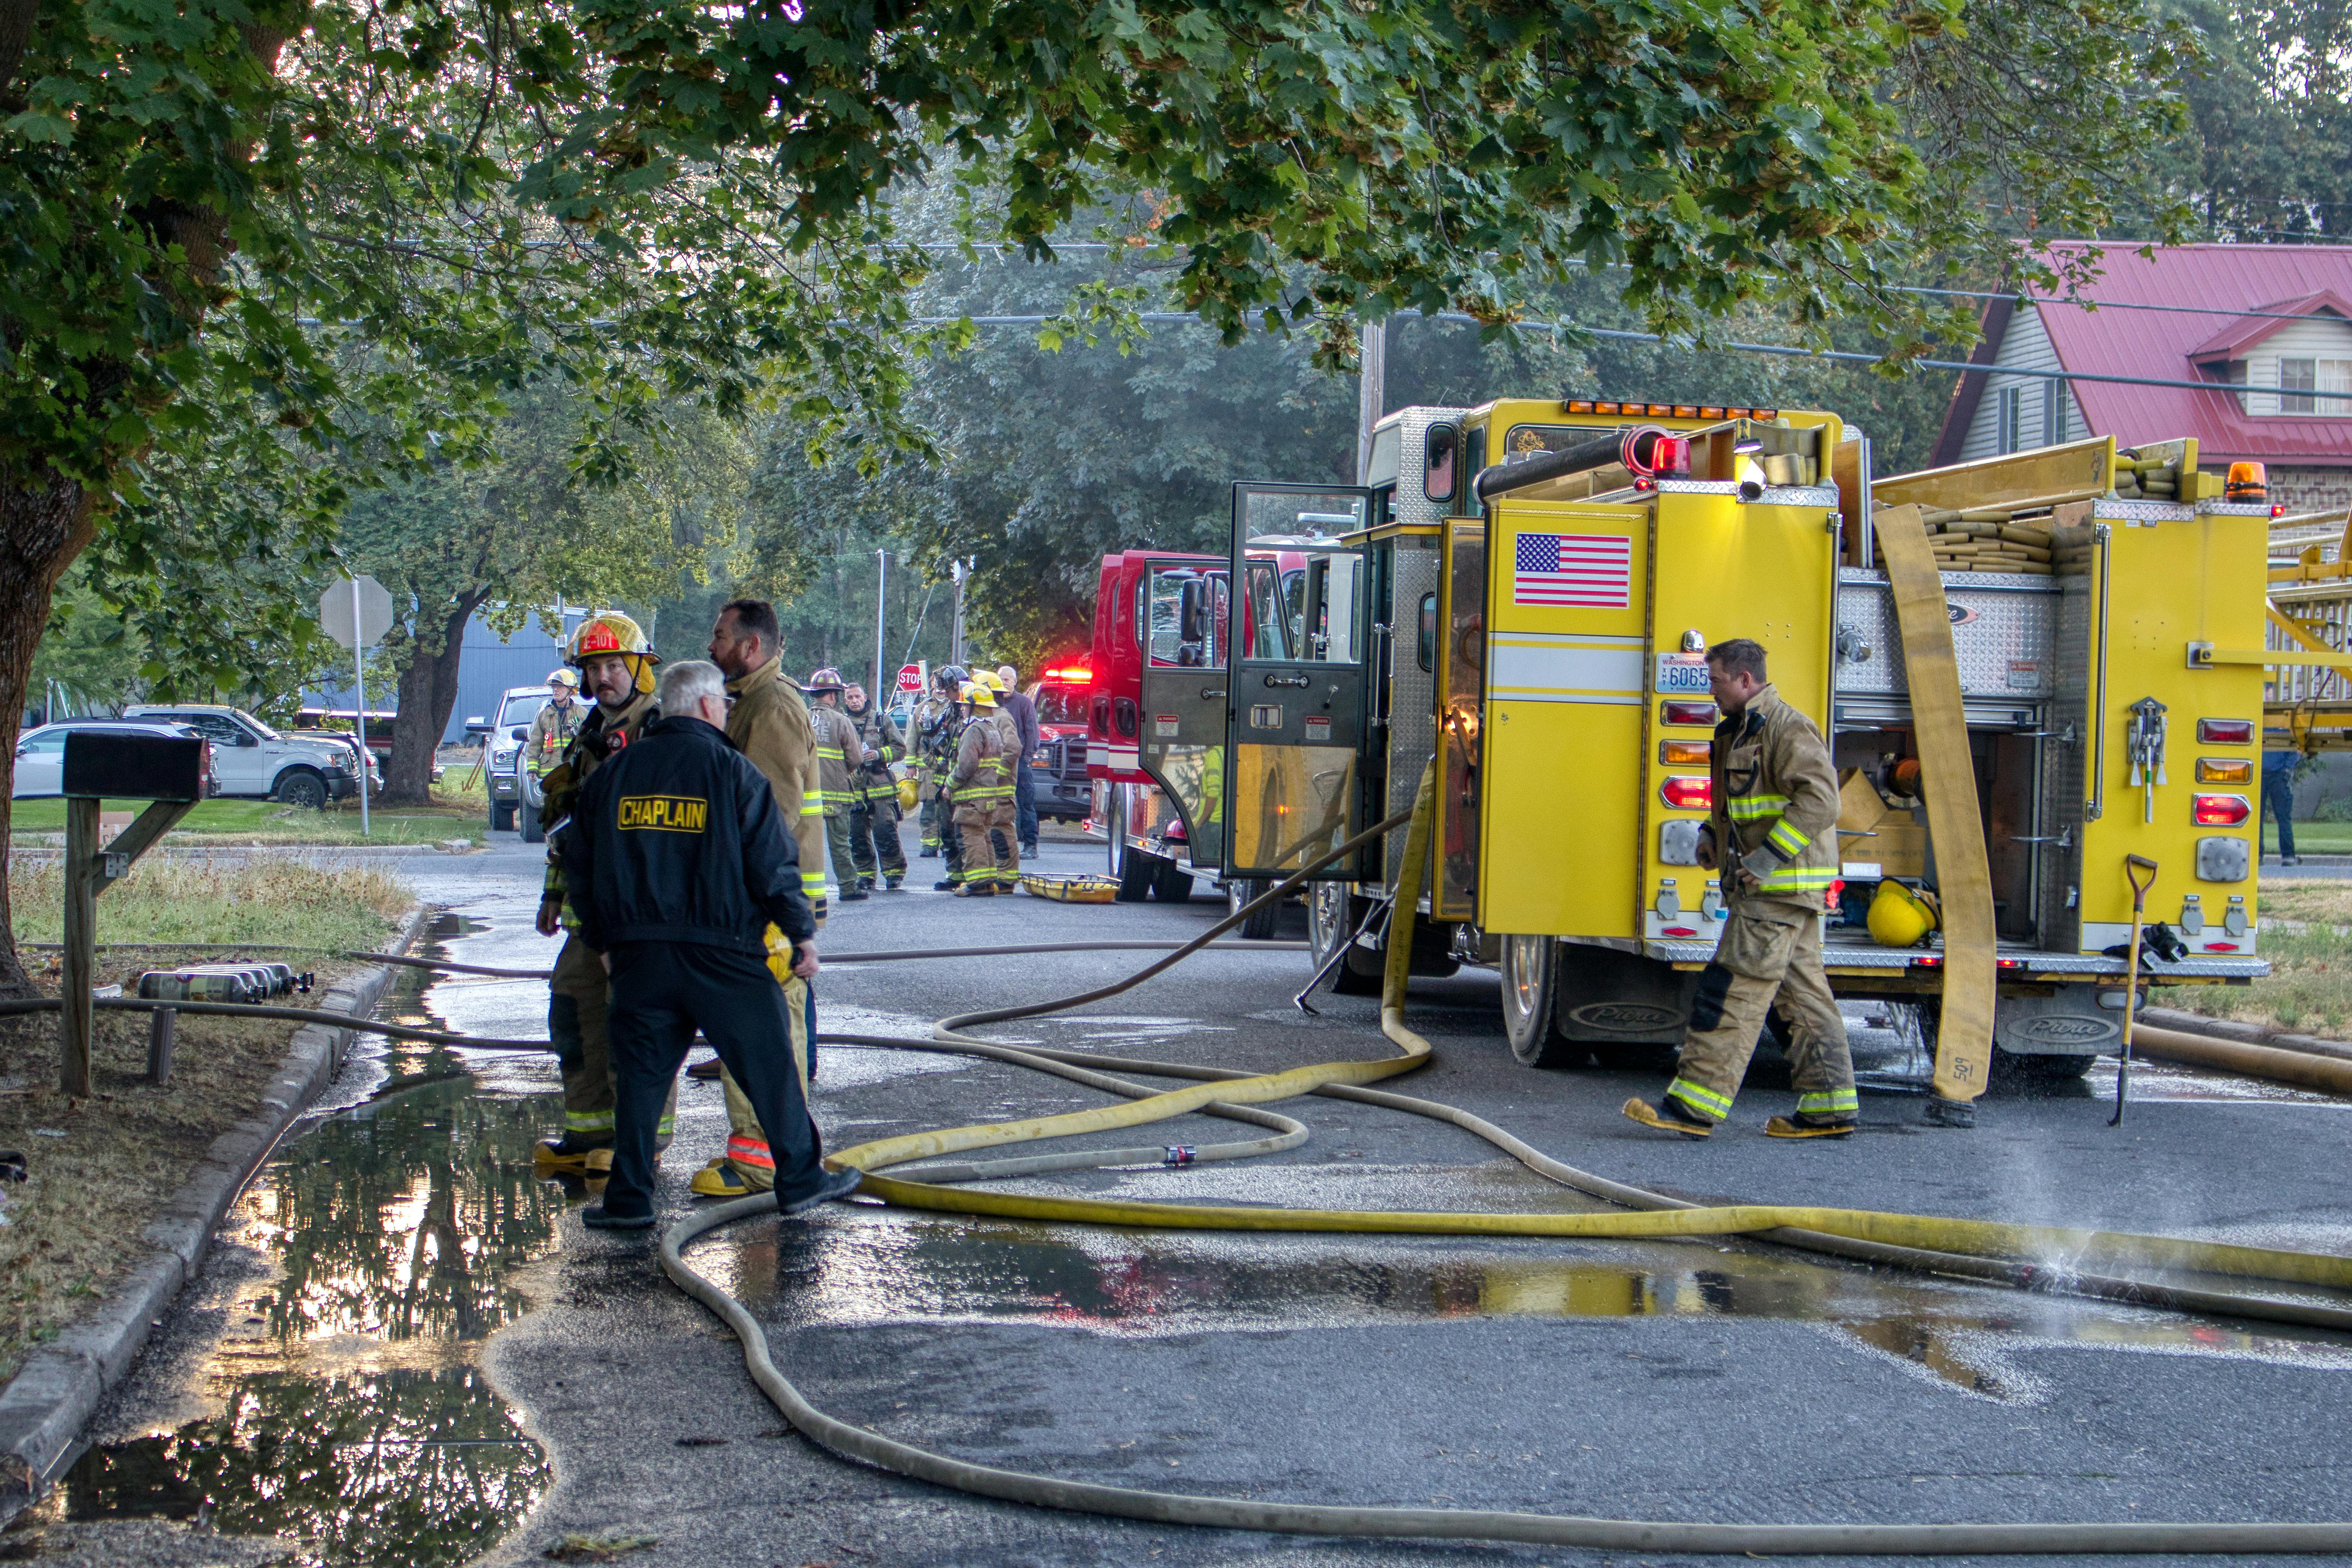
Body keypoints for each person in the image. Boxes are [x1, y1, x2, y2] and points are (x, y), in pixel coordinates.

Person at [561, 659, 864, 1229]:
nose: (725, 713)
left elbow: (580, 864)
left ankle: (628, 1201)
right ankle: (801, 1180)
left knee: (642, 1083)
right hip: (723, 955)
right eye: (722, 706)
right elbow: (772, 866)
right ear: (705, 707)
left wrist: (603, 940)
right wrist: (801, 934)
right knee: (770, 1067)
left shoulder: (614, 775)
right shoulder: (734, 773)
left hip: (638, 957)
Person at [1623, 638, 1857, 1141]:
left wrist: (1768, 857)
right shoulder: (1737, 731)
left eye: (1717, 681)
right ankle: (1830, 1106)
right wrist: (1712, 836)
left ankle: (1693, 1106)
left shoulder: (1786, 727)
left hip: (1777, 892)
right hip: (1776, 893)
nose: (1711, 691)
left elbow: (1822, 800)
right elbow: (1736, 805)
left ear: (1746, 680)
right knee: (1804, 998)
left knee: (1733, 990)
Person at [695, 598, 830, 1200]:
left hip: (770, 903)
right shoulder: (750, 703)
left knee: (768, 1031)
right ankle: (769, 1155)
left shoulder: (770, 708)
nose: (711, 646)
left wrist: (759, 903)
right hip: (768, 900)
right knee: (766, 1025)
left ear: (752, 647)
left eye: (720, 636)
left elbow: (768, 818)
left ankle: (759, 1162)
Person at [533, 615, 672, 1174]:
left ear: (639, 669)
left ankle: (640, 1143)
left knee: (634, 1021)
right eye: (594, 668)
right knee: (575, 1011)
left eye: (615, 665)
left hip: (638, 913)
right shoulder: (591, 735)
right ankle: (587, 1131)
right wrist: (553, 892)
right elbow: (571, 826)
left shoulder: (659, 732)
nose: (604, 677)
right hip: (589, 912)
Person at [804, 668, 869, 902]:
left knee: (803, 841)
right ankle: (848, 887)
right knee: (840, 843)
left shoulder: (801, 717)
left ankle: (797, 888)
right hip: (836, 795)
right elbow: (856, 759)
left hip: (806, 793)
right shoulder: (841, 721)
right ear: (833, 695)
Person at [949, 680, 1018, 895]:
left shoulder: (974, 731)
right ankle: (987, 881)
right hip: (988, 797)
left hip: (973, 795)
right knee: (985, 835)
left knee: (971, 836)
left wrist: (950, 785)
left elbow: (967, 765)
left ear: (973, 706)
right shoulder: (992, 729)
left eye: (964, 705)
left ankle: (978, 884)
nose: (961, 709)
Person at [842, 683, 908, 890]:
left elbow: (900, 748)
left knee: (885, 831)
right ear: (845, 701)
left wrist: (879, 754)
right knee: (858, 835)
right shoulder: (842, 723)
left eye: (857, 697)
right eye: (850, 698)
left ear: (865, 697)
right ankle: (865, 875)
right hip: (854, 789)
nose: (854, 701)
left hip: (881, 787)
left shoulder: (882, 720)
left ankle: (894, 873)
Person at [996, 663, 1042, 857]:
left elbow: (1032, 732)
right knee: (1003, 804)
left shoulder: (1024, 703)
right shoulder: (993, 704)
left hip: (1021, 762)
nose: (1003, 683)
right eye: (1000, 680)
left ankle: (1031, 846)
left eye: (1007, 680)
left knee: (1026, 803)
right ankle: (1007, 846)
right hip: (999, 762)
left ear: (1015, 681)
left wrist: (1028, 757)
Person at [525, 669, 582, 786]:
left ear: (571, 691)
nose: (556, 690)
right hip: (551, 775)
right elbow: (534, 745)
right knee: (549, 804)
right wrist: (532, 769)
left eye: (560, 687)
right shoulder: (544, 716)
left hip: (574, 774)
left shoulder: (581, 714)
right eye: (554, 687)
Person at [2264, 740, 2301, 866]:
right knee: (2284, 817)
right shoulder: (2285, 725)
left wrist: (2286, 770)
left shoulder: (2261, 723)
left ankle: (2256, 856)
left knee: (2255, 817)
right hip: (2279, 774)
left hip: (2271, 774)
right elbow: (2297, 749)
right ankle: (2289, 856)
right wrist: (2287, 769)